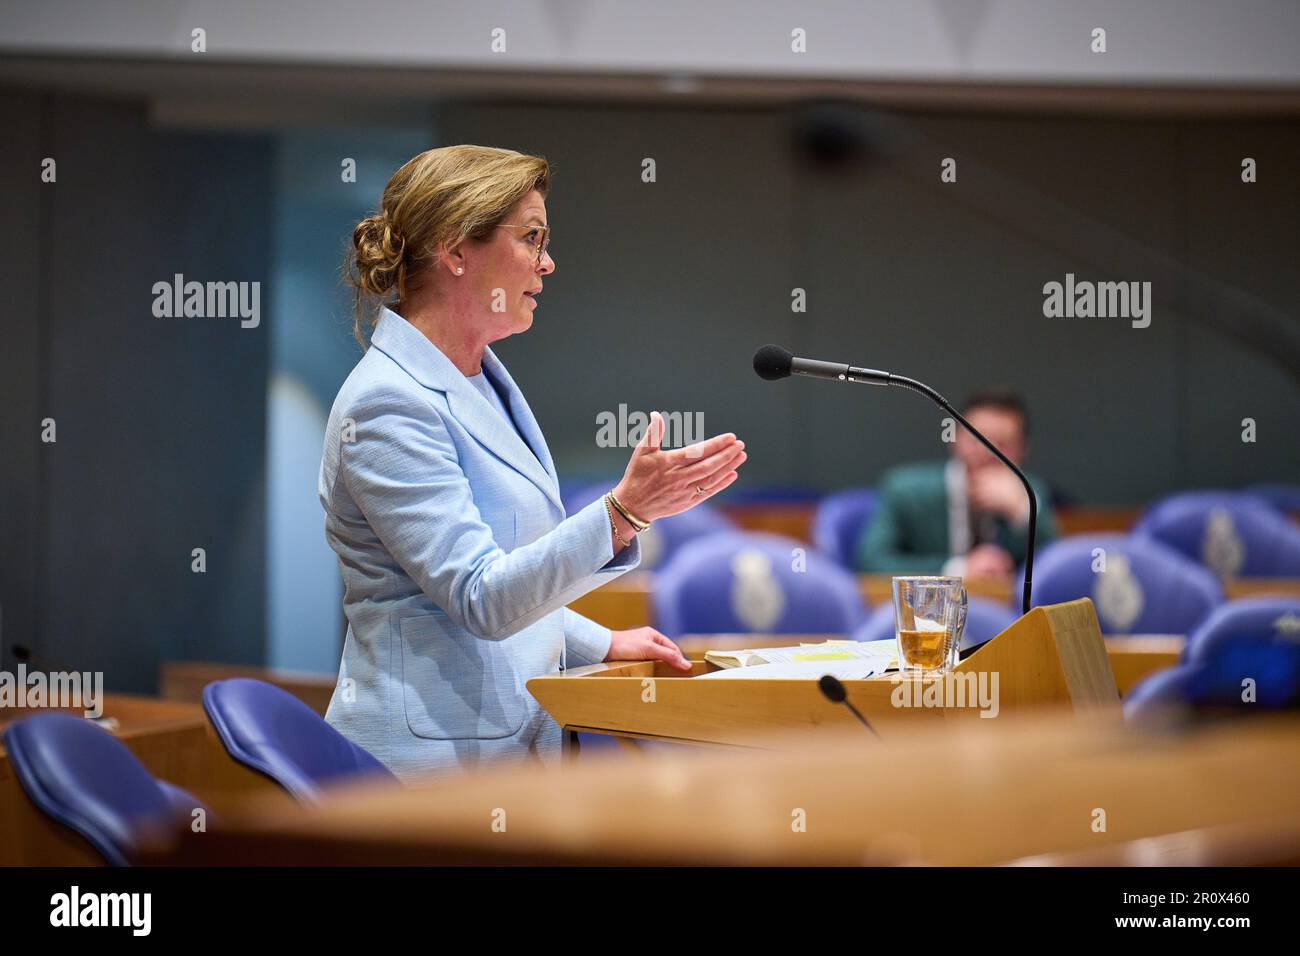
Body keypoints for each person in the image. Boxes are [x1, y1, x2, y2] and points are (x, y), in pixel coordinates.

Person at [318, 145, 747, 781]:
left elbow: (499, 575)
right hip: (422, 772)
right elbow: (479, 596)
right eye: (532, 237)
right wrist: (625, 512)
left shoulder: (481, 376)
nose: (548, 263)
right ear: (457, 250)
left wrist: (601, 643)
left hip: (502, 748)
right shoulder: (387, 403)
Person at [855, 389, 1056, 578]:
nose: (988, 453)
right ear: (955, 438)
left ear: (1023, 449)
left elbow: (1054, 568)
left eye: (1003, 443)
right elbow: (871, 562)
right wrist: (959, 569)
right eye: (978, 439)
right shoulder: (904, 490)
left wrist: (1020, 512)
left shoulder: (1029, 492)